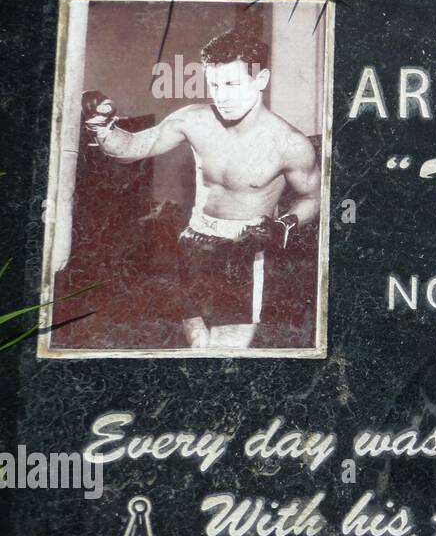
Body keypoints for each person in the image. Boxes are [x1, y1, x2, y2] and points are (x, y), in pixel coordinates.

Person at [85, 26, 320, 349]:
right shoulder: (193, 121)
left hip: (241, 251)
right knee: (197, 343)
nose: (222, 96)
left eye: (233, 84)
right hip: (193, 241)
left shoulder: (289, 144)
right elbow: (131, 148)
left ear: (261, 80)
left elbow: (312, 196)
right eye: (215, 85)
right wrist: (100, 127)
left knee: (226, 352)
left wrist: (285, 224)